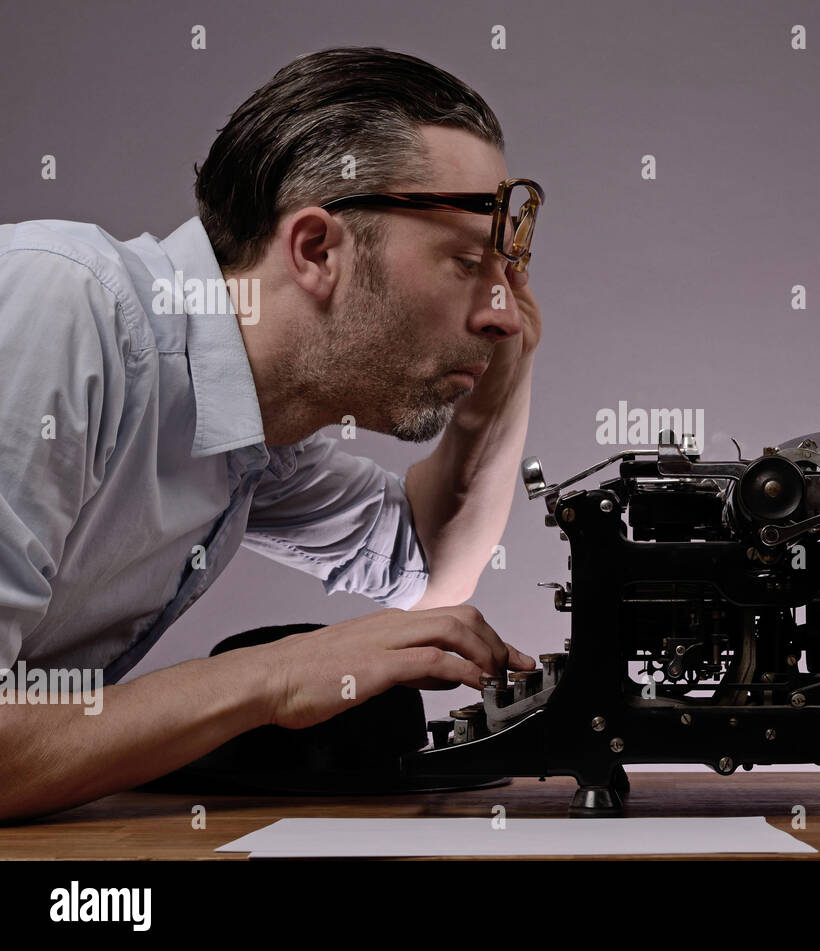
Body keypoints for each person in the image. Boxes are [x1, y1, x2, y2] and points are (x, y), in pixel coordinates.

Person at [0, 47, 542, 821]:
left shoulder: (252, 431)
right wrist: (275, 678)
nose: (500, 311)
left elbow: (426, 569)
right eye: (464, 262)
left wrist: (500, 377)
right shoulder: (62, 310)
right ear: (318, 250)